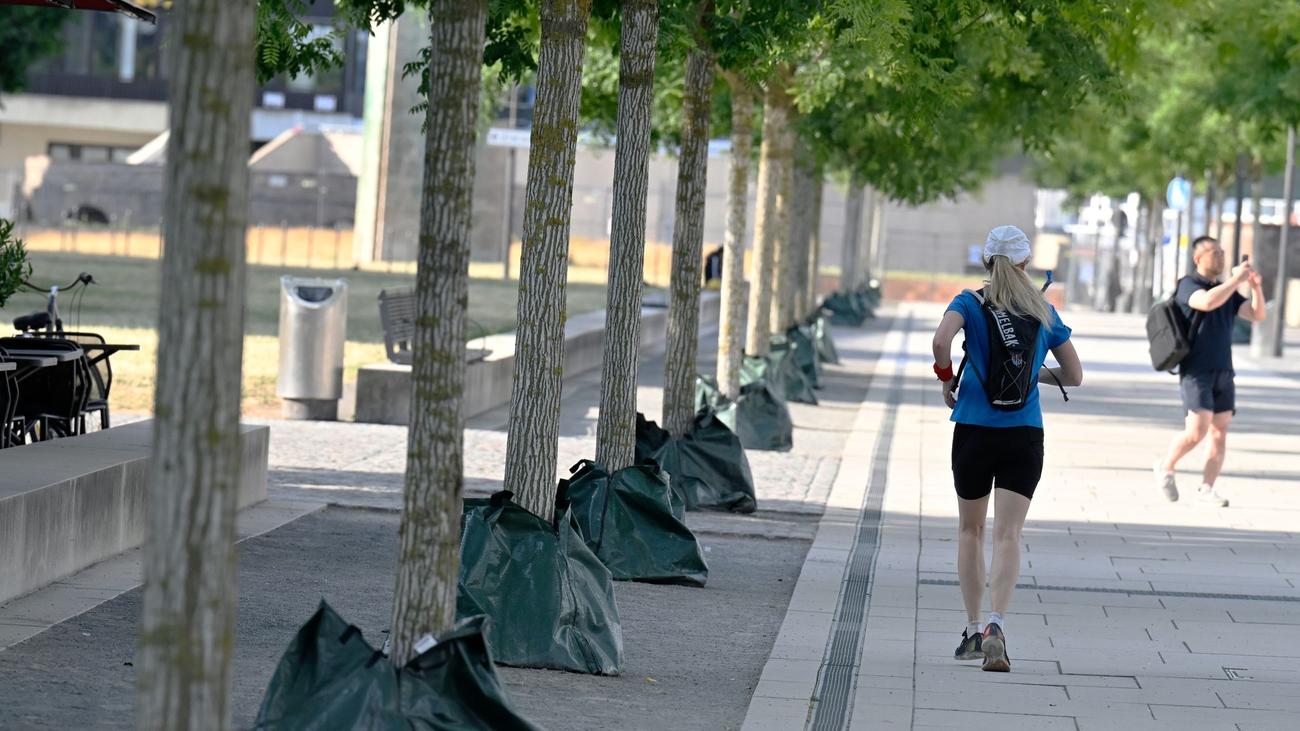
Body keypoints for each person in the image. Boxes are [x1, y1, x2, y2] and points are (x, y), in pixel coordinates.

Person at [931, 225, 1083, 673]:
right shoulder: (1042, 309)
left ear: (987, 262)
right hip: (1024, 433)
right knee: (1008, 534)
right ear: (1024, 264)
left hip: (974, 430)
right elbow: (1074, 375)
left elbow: (941, 343)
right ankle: (999, 623)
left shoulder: (969, 303)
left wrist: (946, 379)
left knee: (970, 530)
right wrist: (1030, 369)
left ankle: (973, 630)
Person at [1155, 236, 1267, 507]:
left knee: (1219, 430)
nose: (1220, 257)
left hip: (1224, 370)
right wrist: (1235, 282)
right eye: (1214, 252)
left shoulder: (1226, 290)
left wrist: (1255, 289)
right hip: (1196, 369)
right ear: (1198, 258)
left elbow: (1256, 315)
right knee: (1198, 428)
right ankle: (1166, 466)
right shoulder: (1188, 285)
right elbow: (1204, 303)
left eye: (1222, 252)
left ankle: (1207, 487)